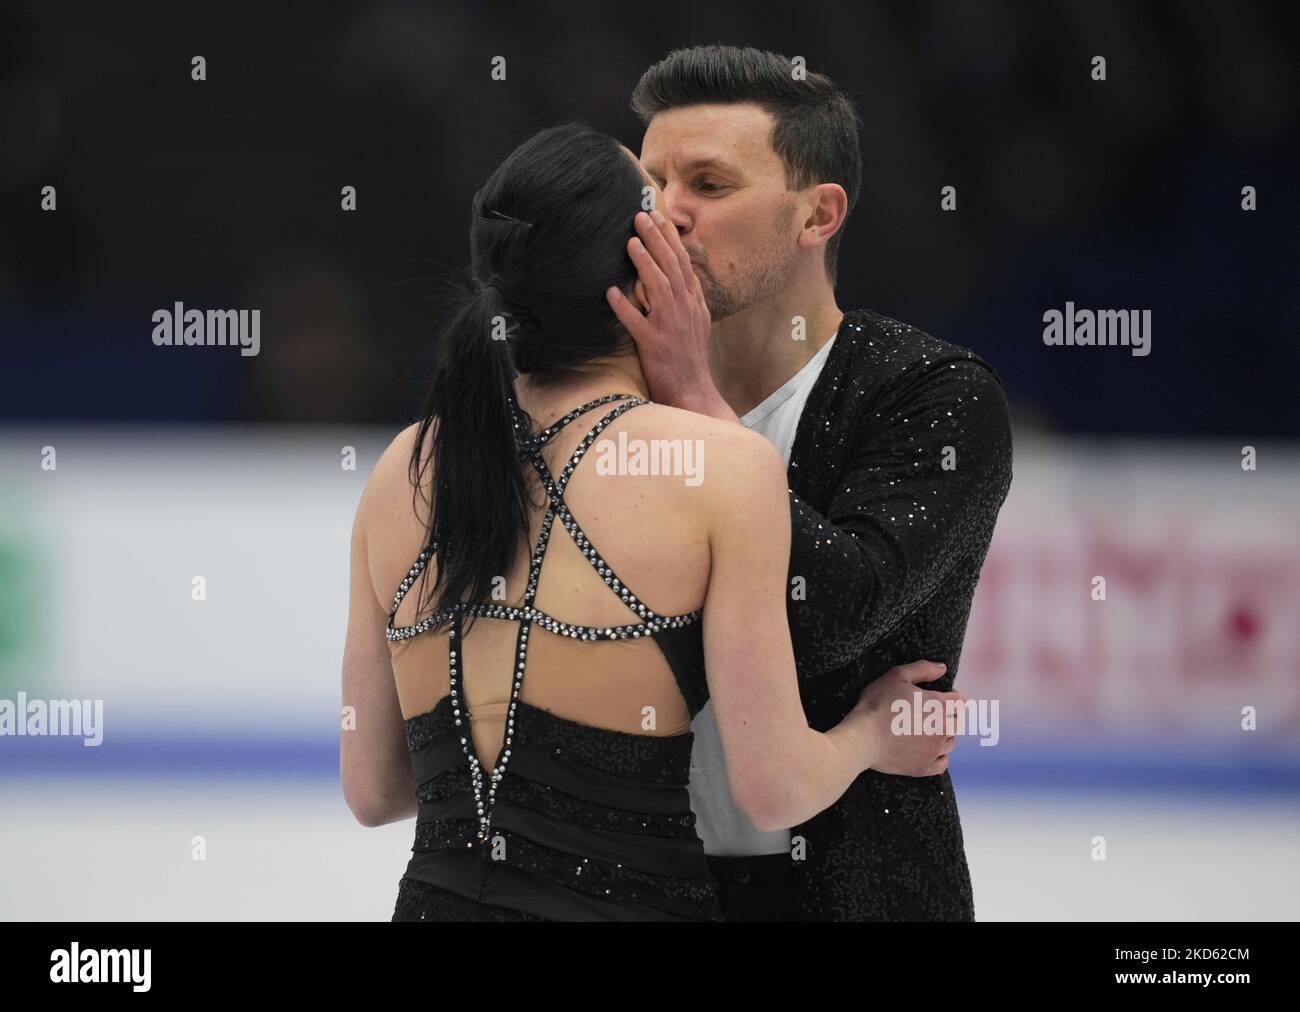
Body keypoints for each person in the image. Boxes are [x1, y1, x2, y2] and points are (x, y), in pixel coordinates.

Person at [339, 121, 961, 921]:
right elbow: (772, 789)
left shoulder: (404, 466)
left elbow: (374, 790)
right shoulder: (720, 469)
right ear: (645, 277)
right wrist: (871, 737)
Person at [609, 45, 1014, 920]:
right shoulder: (607, 389)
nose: (666, 215)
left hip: (858, 893)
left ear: (817, 214)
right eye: (652, 183)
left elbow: (830, 616)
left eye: (709, 187)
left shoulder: (932, 396)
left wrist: (692, 395)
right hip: (632, 890)